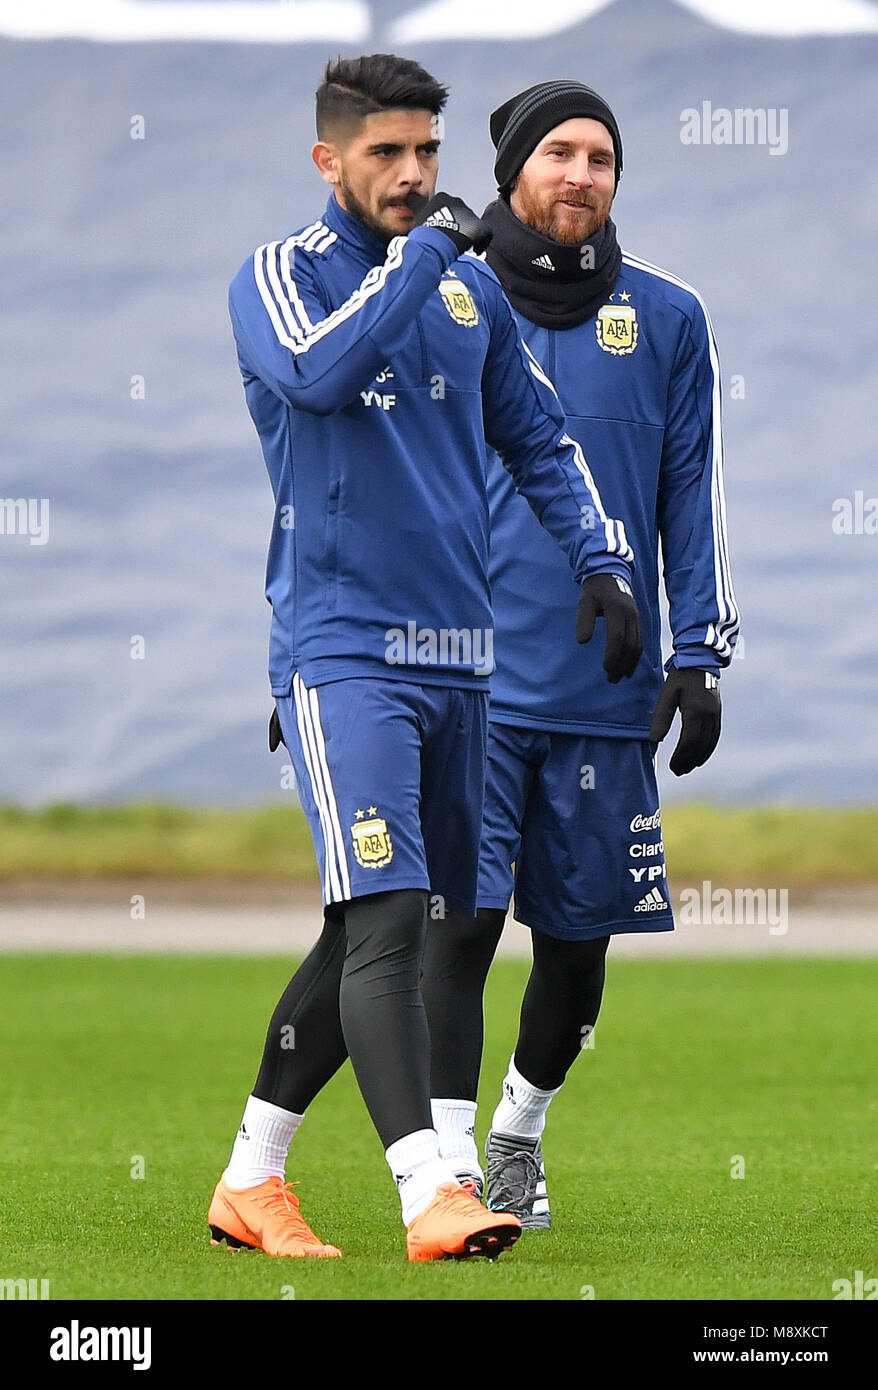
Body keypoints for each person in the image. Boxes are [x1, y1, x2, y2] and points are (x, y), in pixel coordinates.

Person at [209, 56, 643, 1263]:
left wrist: (601, 561)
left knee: (390, 921)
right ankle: (431, 1190)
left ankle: (251, 1179)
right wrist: (417, 261)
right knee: (392, 908)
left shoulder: (469, 296)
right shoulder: (281, 278)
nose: (411, 177)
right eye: (386, 154)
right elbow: (317, 372)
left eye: (427, 155)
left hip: (462, 661)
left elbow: (540, 439)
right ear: (328, 159)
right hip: (345, 651)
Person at [421, 80, 740, 1227]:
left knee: (573, 946)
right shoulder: (442, 298)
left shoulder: (666, 317)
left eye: (600, 158)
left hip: (604, 688)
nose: (580, 174)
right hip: (465, 679)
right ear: (512, 169)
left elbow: (689, 493)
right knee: (456, 923)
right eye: (557, 152)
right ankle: (450, 1171)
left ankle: (517, 1131)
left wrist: (697, 652)